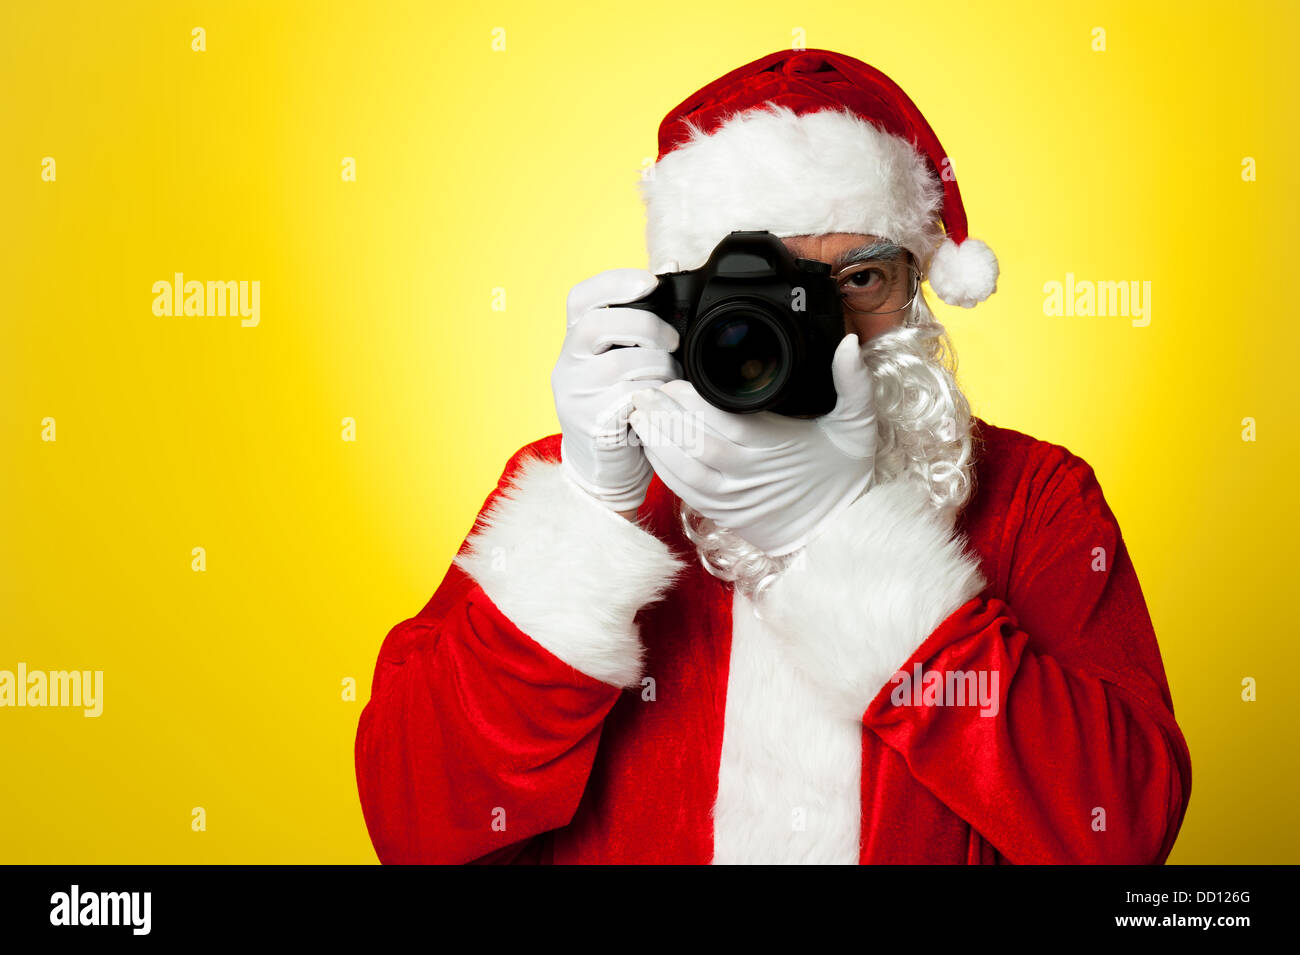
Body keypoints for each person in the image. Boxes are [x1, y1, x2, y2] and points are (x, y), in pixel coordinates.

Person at [354, 48, 1191, 864]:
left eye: (861, 280)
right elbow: (416, 824)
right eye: (765, 287)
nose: (817, 326)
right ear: (681, 296)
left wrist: (843, 539)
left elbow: (1118, 828)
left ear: (919, 287)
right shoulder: (596, 483)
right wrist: (587, 509)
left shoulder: (1034, 498)